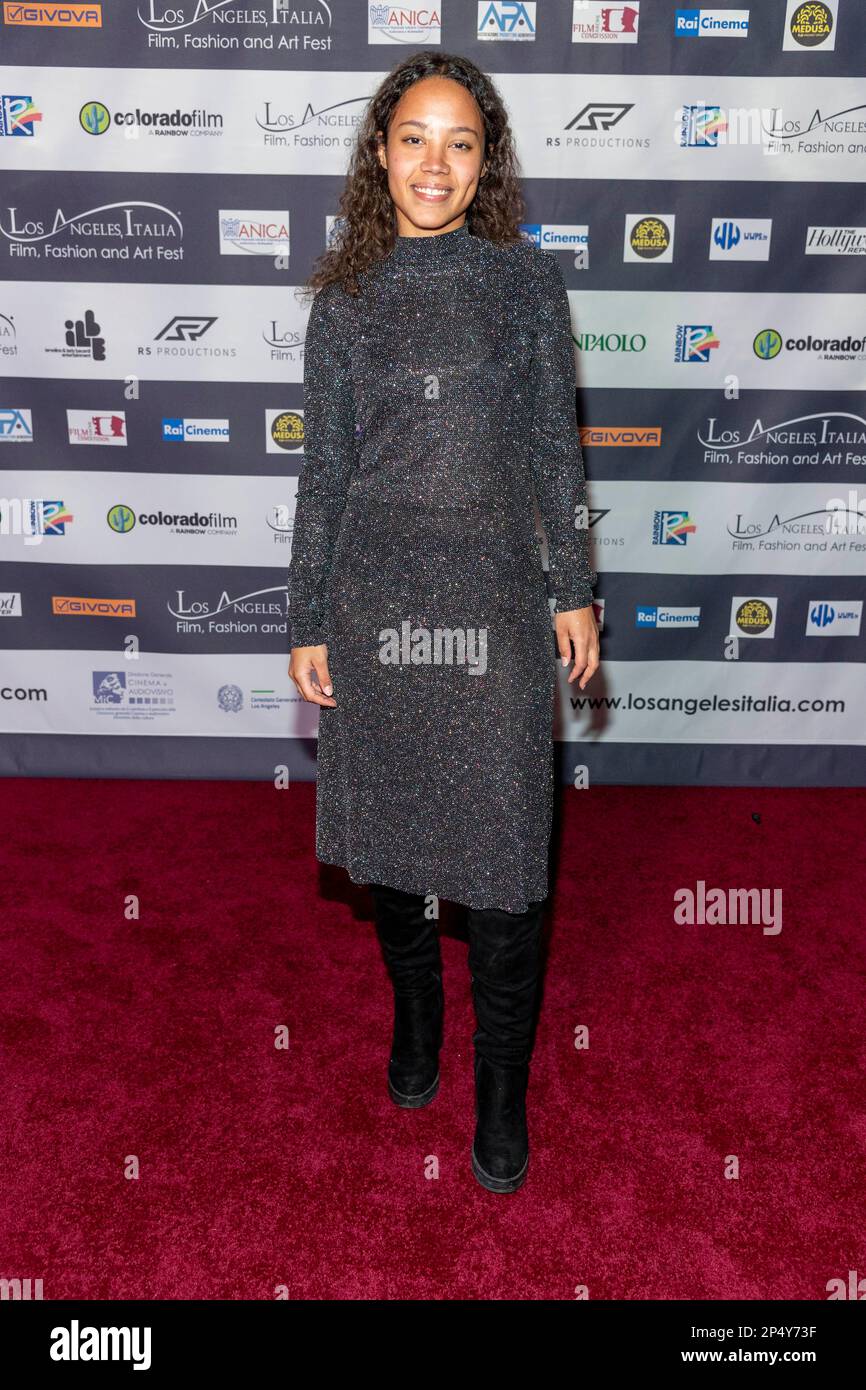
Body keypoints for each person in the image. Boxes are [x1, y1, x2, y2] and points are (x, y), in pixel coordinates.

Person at [288, 52, 600, 1193]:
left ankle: (502, 1093)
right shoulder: (346, 300)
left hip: (496, 611)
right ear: (380, 153)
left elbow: (550, 455)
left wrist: (572, 586)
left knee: (509, 860)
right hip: (375, 607)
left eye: (459, 141)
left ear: (486, 162)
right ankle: (416, 1016)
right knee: (398, 853)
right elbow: (323, 474)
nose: (435, 162)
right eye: (412, 137)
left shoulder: (525, 286)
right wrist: (307, 612)